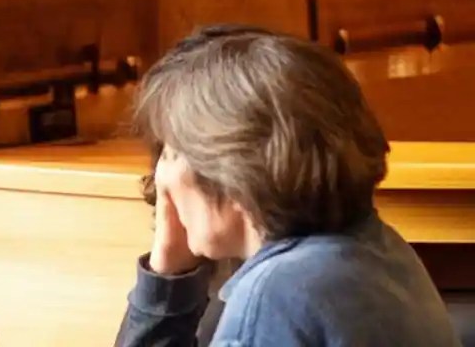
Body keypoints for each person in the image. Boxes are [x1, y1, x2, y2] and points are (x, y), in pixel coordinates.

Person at [114, 25, 460, 347]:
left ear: (230, 168)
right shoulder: (382, 251)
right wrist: (168, 272)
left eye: (173, 153)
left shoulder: (275, 295)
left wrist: (163, 289)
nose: (161, 179)